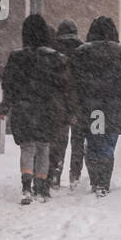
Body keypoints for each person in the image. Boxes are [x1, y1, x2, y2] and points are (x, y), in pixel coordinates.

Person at [0, 14, 77, 205]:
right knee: (43, 147)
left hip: (24, 108)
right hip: (49, 110)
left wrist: (5, 106)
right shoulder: (57, 59)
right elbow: (66, 87)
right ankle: (42, 187)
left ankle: (26, 187)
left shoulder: (16, 57)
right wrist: (70, 111)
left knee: (27, 148)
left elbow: (9, 85)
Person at [72, 16, 121, 196]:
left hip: (90, 105)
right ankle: (103, 181)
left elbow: (73, 80)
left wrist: (74, 102)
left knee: (93, 142)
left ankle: (95, 179)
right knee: (107, 143)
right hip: (114, 105)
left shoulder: (81, 52)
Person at [48, 19, 84, 188]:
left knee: (58, 139)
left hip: (58, 98)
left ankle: (55, 172)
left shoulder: (52, 49)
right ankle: (74, 175)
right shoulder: (83, 49)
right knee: (78, 140)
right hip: (79, 99)